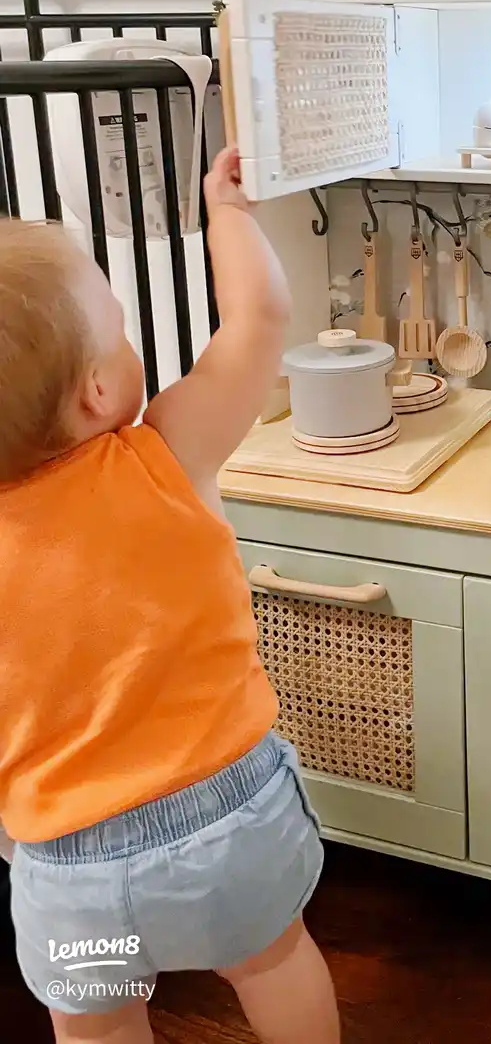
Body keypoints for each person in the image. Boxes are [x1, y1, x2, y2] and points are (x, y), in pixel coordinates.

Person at [0, 148, 339, 1044]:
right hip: (229, 827)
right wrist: (224, 210)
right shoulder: (162, 457)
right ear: (99, 389)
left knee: (96, 1023)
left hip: (65, 863)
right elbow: (259, 319)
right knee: (274, 961)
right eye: (118, 323)